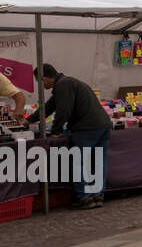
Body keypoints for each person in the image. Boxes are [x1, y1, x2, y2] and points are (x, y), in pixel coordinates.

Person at [33, 64, 111, 208]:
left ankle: (84, 198)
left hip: (86, 128)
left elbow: (63, 110)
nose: (41, 86)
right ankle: (97, 195)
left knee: (78, 162)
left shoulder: (63, 85)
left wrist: (56, 130)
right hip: (103, 125)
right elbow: (49, 107)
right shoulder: (67, 83)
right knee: (98, 161)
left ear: (44, 78)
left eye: (40, 82)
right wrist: (28, 120)